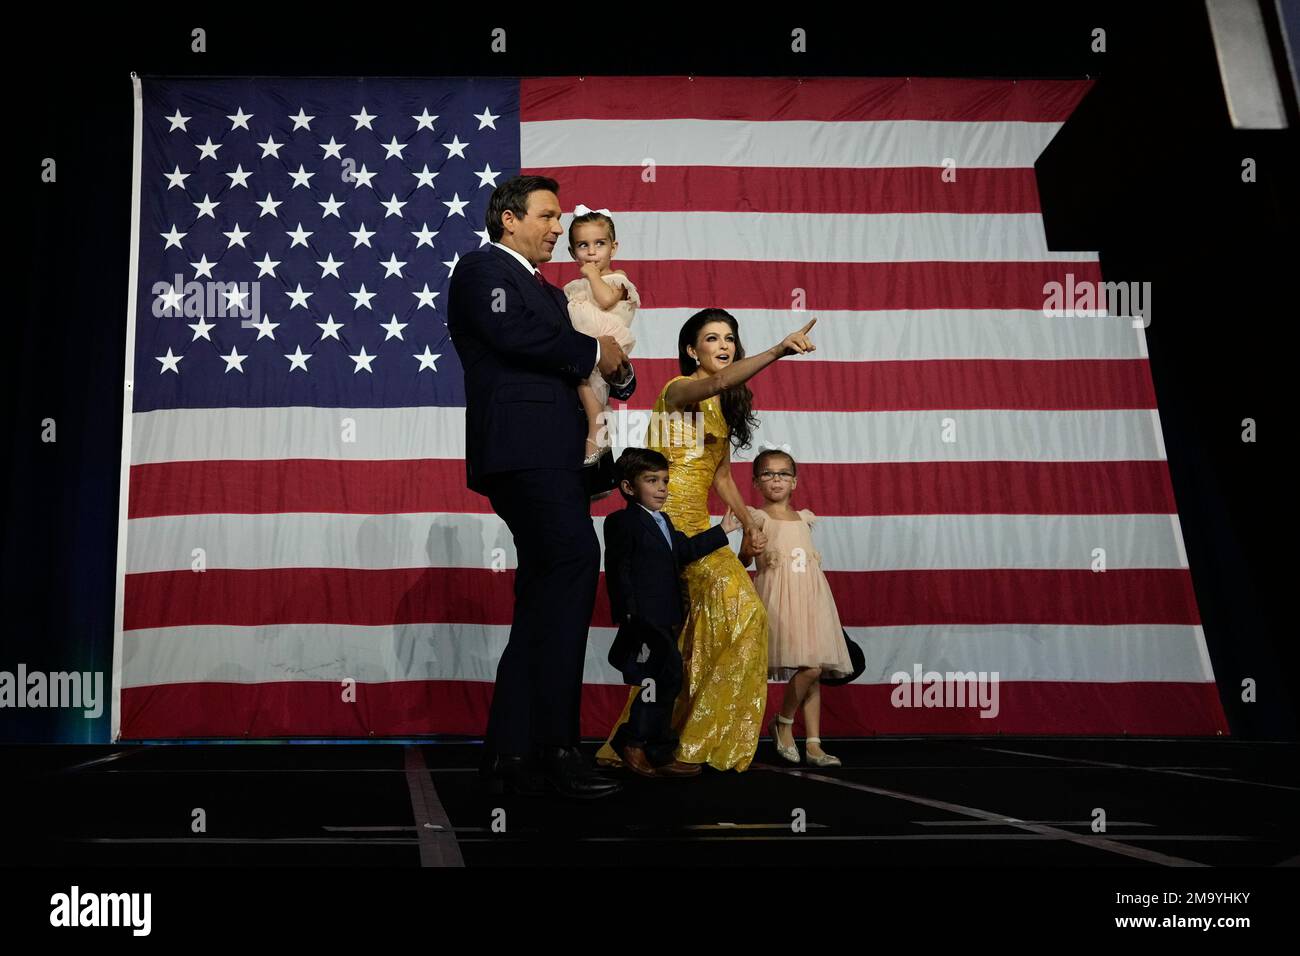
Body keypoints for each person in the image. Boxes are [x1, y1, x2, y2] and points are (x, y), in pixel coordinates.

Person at [447, 175, 637, 799]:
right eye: (550, 216)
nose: (561, 228)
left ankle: (510, 749)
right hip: (523, 453)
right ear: (509, 218)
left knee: (543, 591)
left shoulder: (549, 294)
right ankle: (558, 746)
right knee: (574, 560)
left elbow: (587, 361)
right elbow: (513, 336)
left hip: (556, 457)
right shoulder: (481, 271)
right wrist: (594, 350)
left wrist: (619, 368)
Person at [597, 308, 819, 772]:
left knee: (699, 636)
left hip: (702, 528)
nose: (724, 345)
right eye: (712, 338)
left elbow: (719, 474)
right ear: (690, 350)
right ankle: (682, 743)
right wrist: (778, 350)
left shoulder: (722, 406)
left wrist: (747, 520)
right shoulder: (678, 391)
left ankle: (664, 742)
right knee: (742, 617)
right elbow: (717, 383)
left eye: (730, 338)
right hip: (666, 530)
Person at [603, 447, 741, 777]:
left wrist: (722, 531)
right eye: (652, 480)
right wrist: (630, 615)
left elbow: (683, 551)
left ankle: (657, 749)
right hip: (644, 620)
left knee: (669, 680)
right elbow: (618, 570)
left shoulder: (663, 520)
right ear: (628, 487)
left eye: (665, 480)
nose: (662, 487)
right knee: (659, 679)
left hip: (667, 617)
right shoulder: (621, 521)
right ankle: (634, 742)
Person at [741, 449, 852, 767]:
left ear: (795, 482)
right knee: (810, 666)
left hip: (811, 597)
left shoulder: (804, 518)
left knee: (814, 669)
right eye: (767, 474)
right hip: (778, 597)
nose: (776, 479)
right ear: (755, 482)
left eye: (783, 474)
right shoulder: (757, 517)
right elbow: (743, 561)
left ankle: (814, 744)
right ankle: (784, 723)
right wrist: (749, 550)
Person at [561, 206, 639, 478]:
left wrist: (593, 275)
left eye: (600, 244)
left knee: (589, 385)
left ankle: (596, 434)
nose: (592, 252)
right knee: (587, 387)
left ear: (613, 247)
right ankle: (599, 456)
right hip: (586, 342)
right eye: (583, 245)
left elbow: (606, 300)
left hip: (604, 338)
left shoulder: (618, 280)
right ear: (572, 253)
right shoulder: (575, 287)